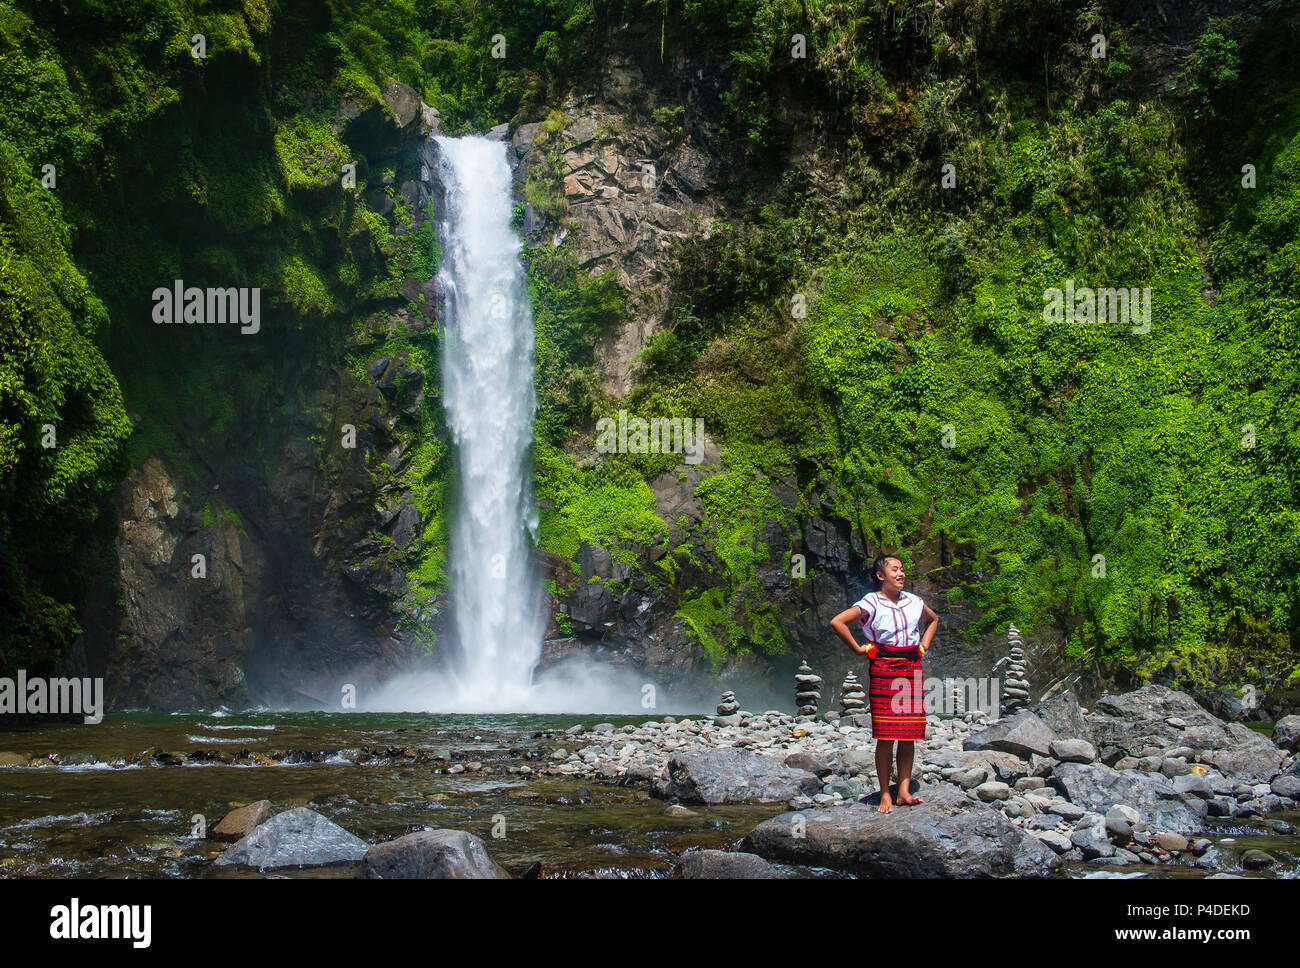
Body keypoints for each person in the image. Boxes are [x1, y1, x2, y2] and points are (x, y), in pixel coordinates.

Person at [829, 554, 938, 813]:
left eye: (902, 569)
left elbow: (933, 620)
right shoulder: (871, 603)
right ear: (880, 576)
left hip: (911, 666)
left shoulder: (914, 601)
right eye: (895, 569)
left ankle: (903, 791)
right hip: (884, 667)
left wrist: (924, 645)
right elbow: (838, 621)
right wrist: (858, 649)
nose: (901, 573)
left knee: (909, 733)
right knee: (887, 734)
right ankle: (885, 794)